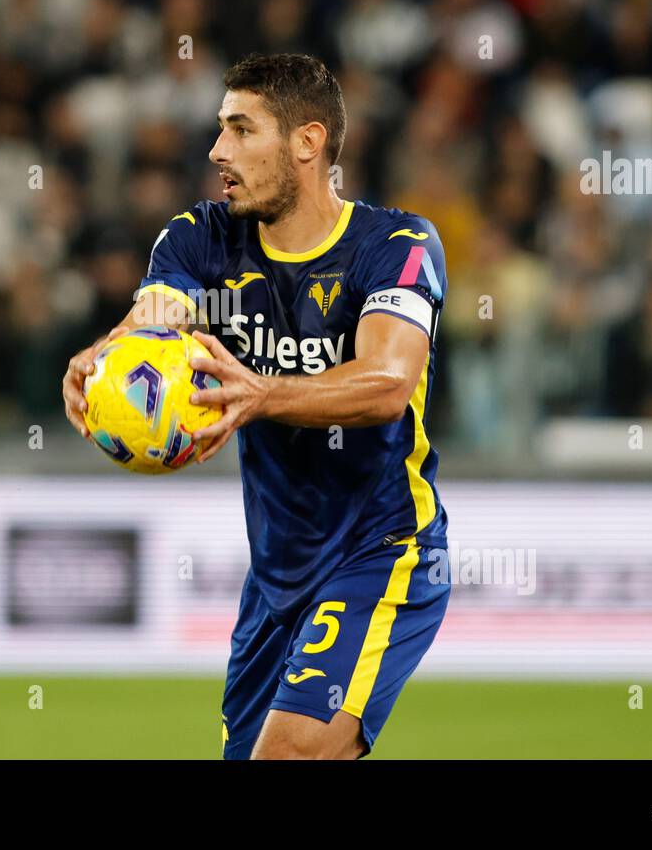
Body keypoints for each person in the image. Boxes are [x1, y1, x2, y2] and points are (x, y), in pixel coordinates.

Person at [62, 53, 451, 759]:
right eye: (219, 130)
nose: (217, 151)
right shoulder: (202, 238)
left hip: (383, 551)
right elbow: (156, 319)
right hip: (275, 577)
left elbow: (389, 383)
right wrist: (109, 355)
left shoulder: (395, 246)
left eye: (241, 129)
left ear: (306, 142)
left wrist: (261, 393)